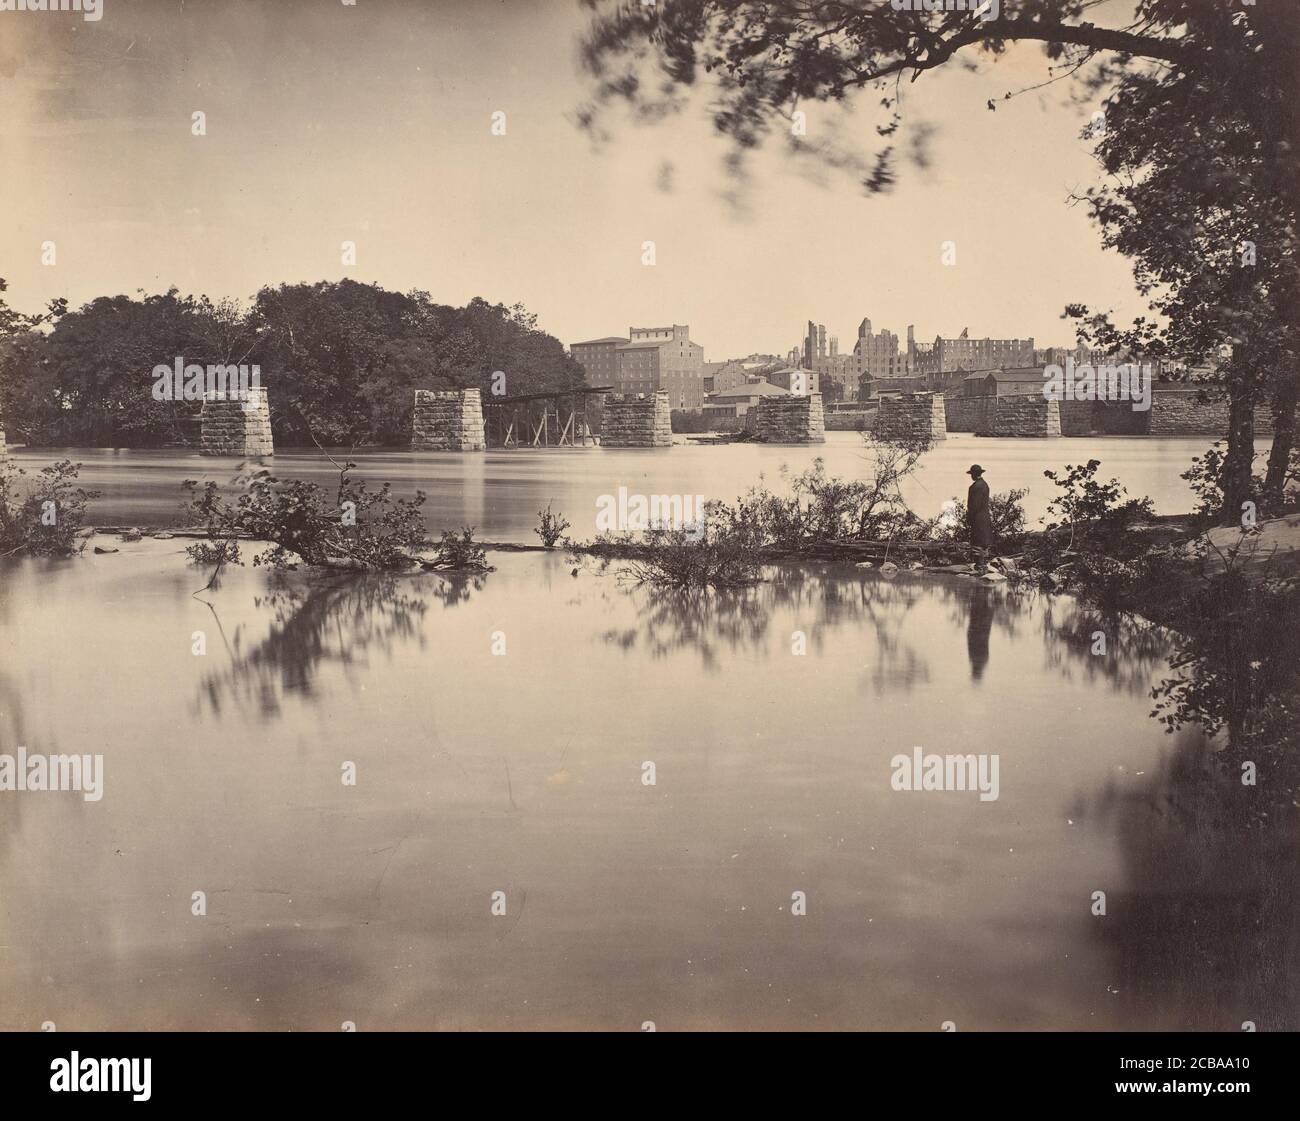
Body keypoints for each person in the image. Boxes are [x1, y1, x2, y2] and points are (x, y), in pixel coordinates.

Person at [965, 464, 994, 571]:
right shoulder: (985, 485)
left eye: (972, 474)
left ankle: (980, 567)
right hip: (985, 518)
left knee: (977, 542)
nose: (971, 476)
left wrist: (970, 518)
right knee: (984, 542)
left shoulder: (975, 487)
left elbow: (974, 506)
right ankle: (983, 566)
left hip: (977, 518)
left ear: (974, 474)